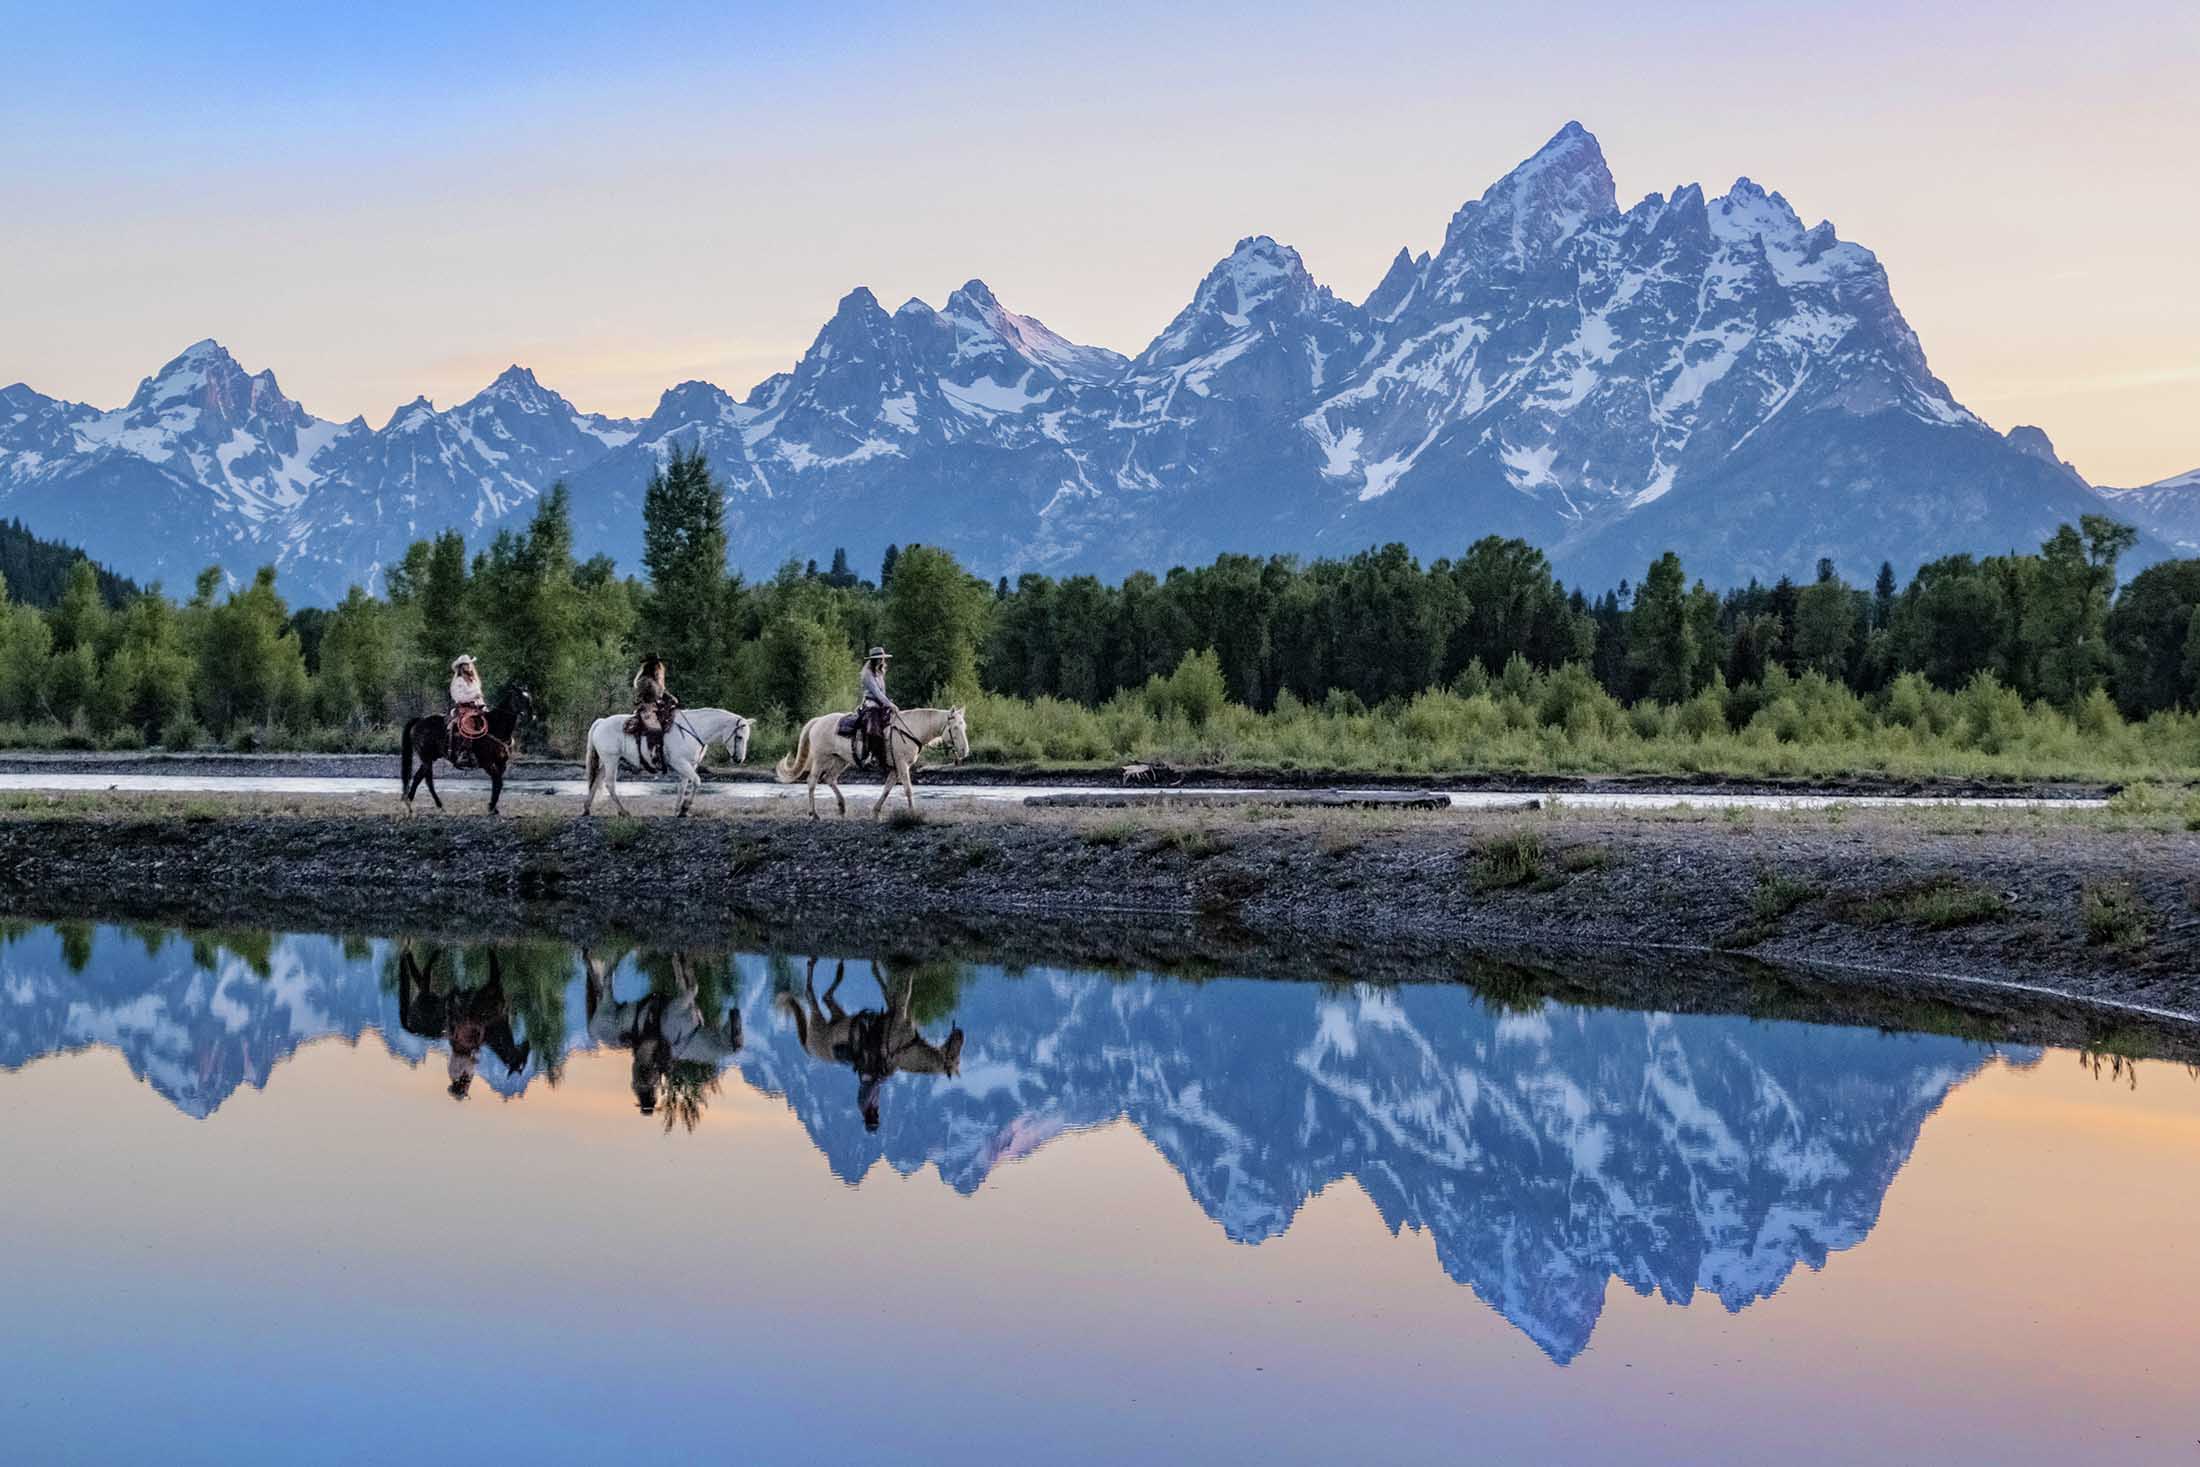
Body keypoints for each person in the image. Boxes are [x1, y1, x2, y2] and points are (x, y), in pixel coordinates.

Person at [628, 655, 678, 772]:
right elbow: (644, 697)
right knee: (655, 729)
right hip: (647, 708)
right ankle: (653, 756)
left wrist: (671, 698)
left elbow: (663, 692)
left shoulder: (656, 681)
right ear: (651, 667)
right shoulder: (643, 681)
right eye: (657, 666)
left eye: (659, 666)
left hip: (657, 707)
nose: (660, 668)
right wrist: (656, 701)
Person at [856, 646, 895, 769]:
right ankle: (871, 756)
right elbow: (876, 693)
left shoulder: (880, 672)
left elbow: (882, 692)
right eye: (879, 658)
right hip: (871, 705)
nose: (881, 660)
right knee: (874, 730)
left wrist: (887, 703)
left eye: (882, 658)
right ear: (873, 660)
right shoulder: (867, 674)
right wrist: (890, 704)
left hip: (881, 705)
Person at [448, 654, 487, 767]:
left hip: (477, 707)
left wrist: (482, 705)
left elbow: (479, 697)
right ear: (461, 667)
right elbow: (458, 697)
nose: (469, 666)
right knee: (468, 724)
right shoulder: (458, 681)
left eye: (469, 664)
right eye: (466, 665)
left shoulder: (474, 681)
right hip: (464, 708)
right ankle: (465, 752)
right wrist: (474, 696)